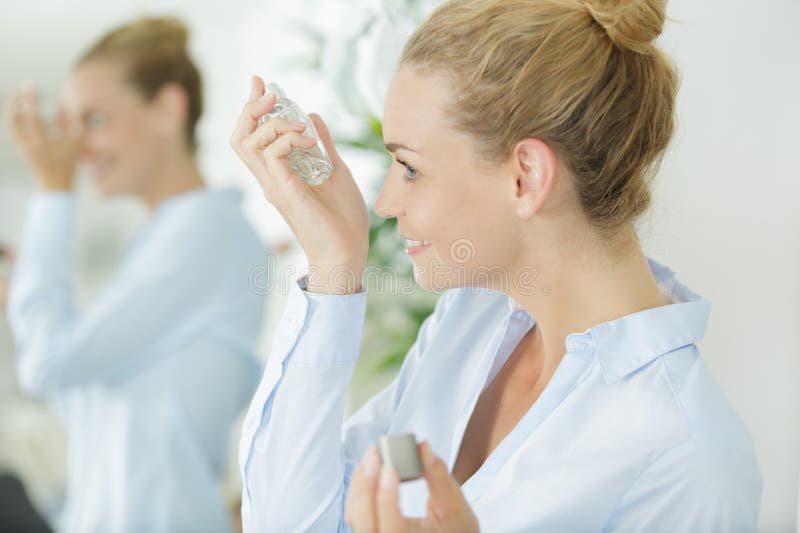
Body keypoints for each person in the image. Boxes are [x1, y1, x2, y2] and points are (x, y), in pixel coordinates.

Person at [232, 0, 762, 531]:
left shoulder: (691, 463)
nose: (385, 203)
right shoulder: (470, 321)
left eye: (410, 168)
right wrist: (335, 262)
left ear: (525, 177)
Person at [4, 17, 267, 533]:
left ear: (169, 109)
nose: (77, 149)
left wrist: (53, 193)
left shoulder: (206, 234)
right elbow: (89, 395)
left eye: (95, 120)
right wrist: (26, 296)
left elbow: (47, 365)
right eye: (72, 125)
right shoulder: (162, 241)